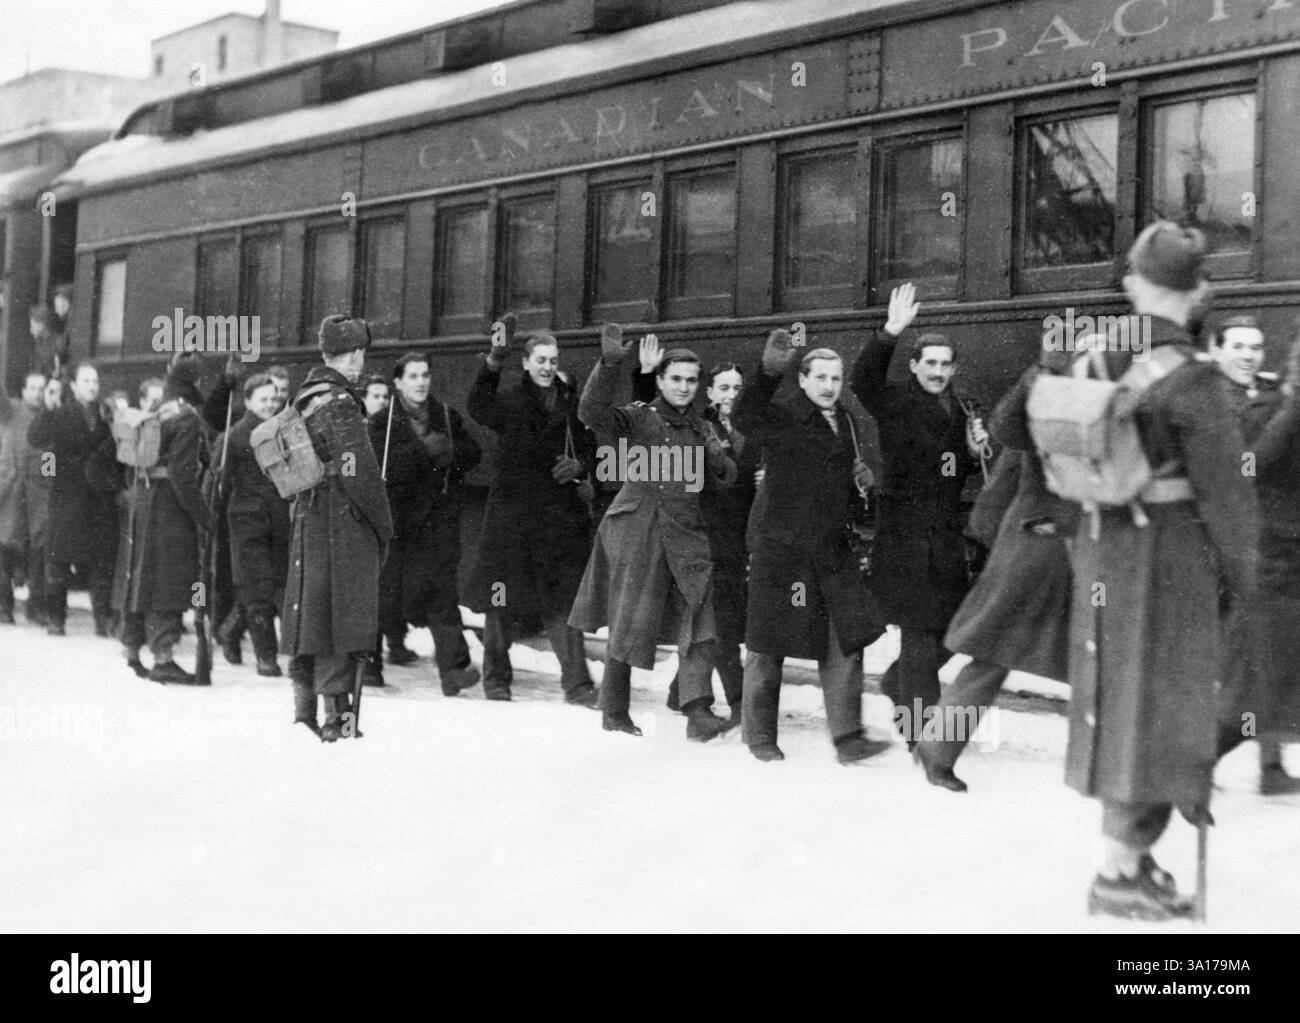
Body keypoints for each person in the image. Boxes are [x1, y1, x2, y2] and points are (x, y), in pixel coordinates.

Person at [1062, 221, 1257, 921]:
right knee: (1168, 710)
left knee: (1123, 702)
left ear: (1131, 286)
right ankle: (1119, 872)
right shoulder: (1196, 381)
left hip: (1101, 552)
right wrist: (1248, 588)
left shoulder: (1091, 360)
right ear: (1201, 290)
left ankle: (1130, 859)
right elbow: (1230, 505)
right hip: (1171, 563)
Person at [913, 352, 1079, 791]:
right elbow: (1008, 427)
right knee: (995, 654)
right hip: (1039, 551)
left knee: (999, 656)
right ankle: (935, 749)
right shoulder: (1048, 415)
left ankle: (935, 749)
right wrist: (1038, 373)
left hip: (1063, 550)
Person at [568, 326, 737, 741]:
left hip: (685, 533)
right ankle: (613, 709)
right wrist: (609, 365)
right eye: (675, 378)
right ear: (660, 380)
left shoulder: (701, 427)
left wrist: (720, 458)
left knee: (701, 619)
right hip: (637, 530)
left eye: (691, 380)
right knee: (630, 621)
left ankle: (697, 711)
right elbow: (591, 412)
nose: (683, 387)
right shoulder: (640, 417)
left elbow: (725, 480)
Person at [733, 335, 890, 763]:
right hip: (783, 548)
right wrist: (766, 373)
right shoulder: (783, 415)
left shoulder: (845, 419)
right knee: (767, 644)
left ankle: (848, 738)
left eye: (836, 377)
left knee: (846, 640)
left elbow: (839, 475)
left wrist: (861, 480)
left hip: (831, 548)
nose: (829, 384)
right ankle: (759, 735)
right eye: (820, 376)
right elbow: (745, 417)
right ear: (802, 380)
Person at [850, 284, 988, 742]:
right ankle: (919, 733)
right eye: (930, 363)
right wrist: (890, 331)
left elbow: (950, 468)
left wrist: (969, 453)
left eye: (946, 365)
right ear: (913, 366)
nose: (939, 371)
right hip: (906, 535)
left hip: (944, 535)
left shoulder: (959, 407)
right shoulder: (894, 401)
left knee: (955, 628)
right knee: (919, 634)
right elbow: (862, 382)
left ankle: (896, 684)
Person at [465, 329, 599, 706]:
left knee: (562, 602)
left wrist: (580, 467)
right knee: (500, 601)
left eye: (553, 361)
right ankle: (495, 679)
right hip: (511, 520)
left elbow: (590, 448)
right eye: (540, 360)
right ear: (525, 362)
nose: (547, 367)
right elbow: (479, 407)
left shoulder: (570, 404)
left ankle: (577, 685)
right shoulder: (508, 400)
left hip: (556, 521)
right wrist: (493, 362)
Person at [633, 342, 759, 725]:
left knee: (722, 620)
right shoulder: (699, 426)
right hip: (706, 532)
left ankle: (679, 693)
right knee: (719, 623)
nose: (731, 396)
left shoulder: (753, 430)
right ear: (710, 393)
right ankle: (739, 703)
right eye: (724, 388)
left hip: (739, 535)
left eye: (738, 389)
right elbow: (647, 424)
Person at [282, 316, 393, 740]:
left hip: (308, 519)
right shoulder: (341, 402)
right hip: (341, 522)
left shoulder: (304, 395)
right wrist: (383, 525)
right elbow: (359, 474)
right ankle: (338, 722)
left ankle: (305, 710)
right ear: (353, 354)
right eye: (359, 353)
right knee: (340, 619)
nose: (361, 362)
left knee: (309, 616)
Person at [1210, 314, 1300, 795]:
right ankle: (1202, 758)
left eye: (1256, 347)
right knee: (1256, 661)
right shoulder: (1220, 398)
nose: (1249, 356)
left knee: (1274, 659)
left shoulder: (1272, 396)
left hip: (1280, 547)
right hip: (1261, 547)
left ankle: (1270, 767)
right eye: (1239, 347)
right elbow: (1249, 466)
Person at [369, 351, 480, 696]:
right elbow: (382, 468)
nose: (421, 382)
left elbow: (473, 452)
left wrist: (450, 452)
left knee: (442, 596)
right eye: (413, 376)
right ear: (398, 383)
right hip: (397, 525)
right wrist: (426, 452)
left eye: (425, 375)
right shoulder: (381, 423)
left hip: (435, 524)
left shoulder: (445, 416)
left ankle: (454, 671)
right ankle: (368, 665)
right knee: (382, 596)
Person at [112, 355, 209, 684]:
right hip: (170, 508)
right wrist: (204, 516)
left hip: (143, 502)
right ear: (195, 382)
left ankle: (131, 649)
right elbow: (184, 476)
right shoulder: (187, 417)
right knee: (168, 581)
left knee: (138, 577)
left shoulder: (157, 409)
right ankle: (164, 657)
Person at [28, 362, 117, 637]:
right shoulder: (61, 412)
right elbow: (36, 439)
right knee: (58, 562)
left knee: (101, 562)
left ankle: (102, 620)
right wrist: (48, 408)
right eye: (86, 381)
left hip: (98, 498)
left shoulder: (106, 414)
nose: (92, 386)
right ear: (75, 386)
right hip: (67, 496)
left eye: (95, 382)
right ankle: (56, 619)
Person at [223, 373, 291, 677]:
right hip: (247, 521)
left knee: (273, 585)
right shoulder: (235, 436)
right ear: (248, 401)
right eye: (262, 400)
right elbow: (221, 482)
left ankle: (231, 631)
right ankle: (266, 657)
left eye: (272, 399)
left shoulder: (281, 430)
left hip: (279, 520)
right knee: (259, 589)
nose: (269, 405)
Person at [360, 371, 412, 666]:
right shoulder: (360, 430)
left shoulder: (394, 429)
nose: (381, 401)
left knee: (390, 587)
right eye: (375, 396)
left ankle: (396, 643)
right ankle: (372, 657)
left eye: (384, 396)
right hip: (368, 520)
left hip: (392, 516)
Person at [0, 372, 50, 625]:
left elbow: (51, 457)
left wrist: (49, 481)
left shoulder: (50, 416)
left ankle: (36, 606)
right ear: (23, 390)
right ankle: (4, 606)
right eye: (32, 388)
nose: (38, 393)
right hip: (10, 490)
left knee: (38, 552)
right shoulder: (11, 411)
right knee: (4, 549)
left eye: (42, 388)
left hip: (38, 493)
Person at [28, 304, 68, 380]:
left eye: (32, 325)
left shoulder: (57, 343)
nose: (31, 329)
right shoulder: (39, 342)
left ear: (40, 326)